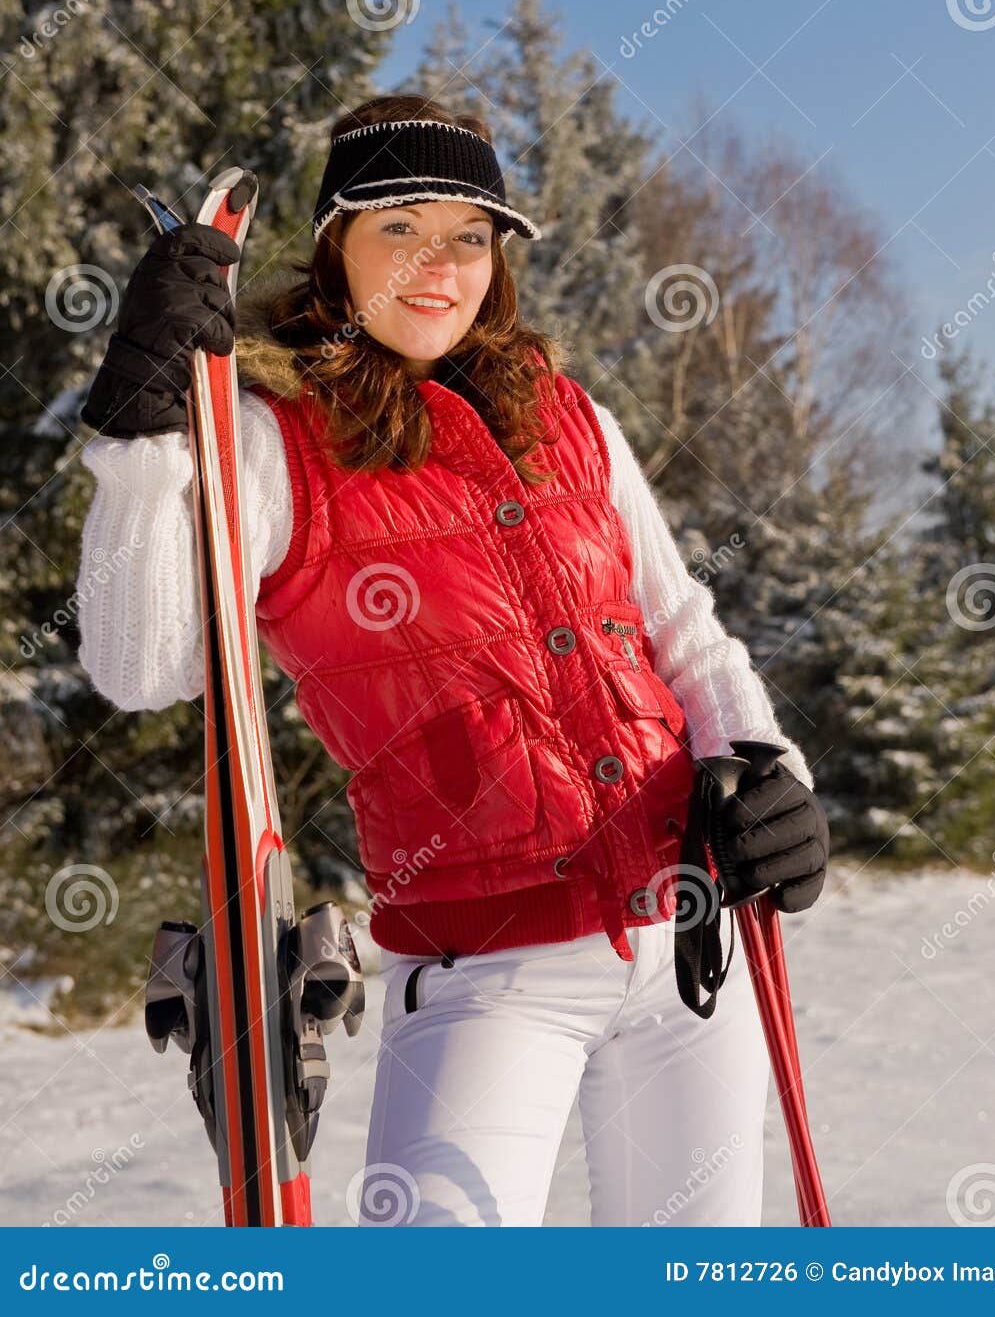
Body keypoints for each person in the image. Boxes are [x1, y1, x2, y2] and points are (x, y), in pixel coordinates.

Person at [77, 92, 829, 1228]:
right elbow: (145, 667)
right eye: (399, 228)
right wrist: (142, 446)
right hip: (488, 966)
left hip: (690, 943)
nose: (438, 265)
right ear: (335, 248)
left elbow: (683, 634)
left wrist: (771, 769)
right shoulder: (279, 443)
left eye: (469, 236)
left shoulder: (572, 418)